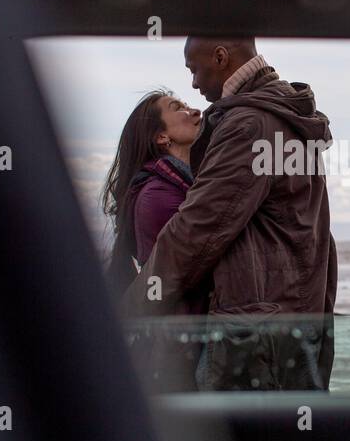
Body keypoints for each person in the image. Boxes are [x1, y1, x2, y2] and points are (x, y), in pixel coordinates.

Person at [125, 37, 338, 391]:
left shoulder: (248, 125)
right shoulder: (285, 118)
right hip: (294, 323)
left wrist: (129, 312)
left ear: (221, 57)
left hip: (255, 336)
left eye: (195, 69)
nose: (194, 83)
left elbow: (196, 231)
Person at [101, 90, 203, 390]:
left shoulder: (181, 182)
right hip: (182, 346)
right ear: (161, 137)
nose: (194, 111)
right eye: (179, 109)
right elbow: (188, 268)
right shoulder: (158, 195)